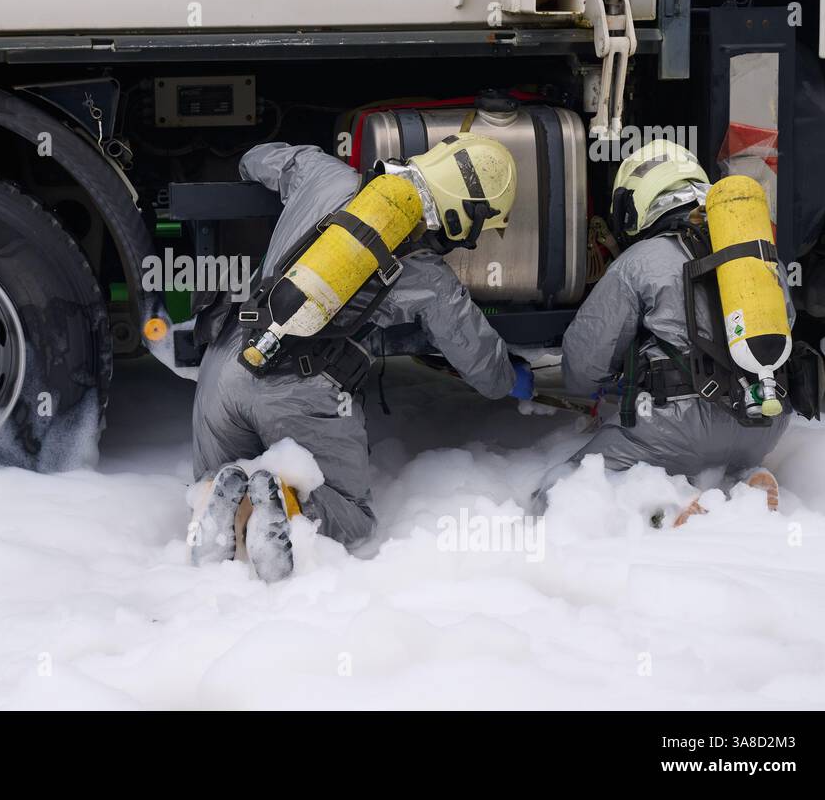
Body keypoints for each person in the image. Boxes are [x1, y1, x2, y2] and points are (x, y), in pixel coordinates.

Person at [188, 139, 532, 581]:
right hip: (303, 389)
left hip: (225, 364)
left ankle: (218, 505)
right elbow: (481, 361)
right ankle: (287, 503)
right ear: (460, 217)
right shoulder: (428, 274)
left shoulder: (324, 174)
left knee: (215, 483)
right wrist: (513, 380)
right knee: (352, 518)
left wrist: (247, 164)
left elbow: (257, 157)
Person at [535, 140, 793, 523]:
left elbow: (583, 368)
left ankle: (658, 505)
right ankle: (744, 481)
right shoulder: (756, 256)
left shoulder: (639, 261)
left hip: (676, 427)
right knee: (716, 455)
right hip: (764, 418)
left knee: (557, 494)